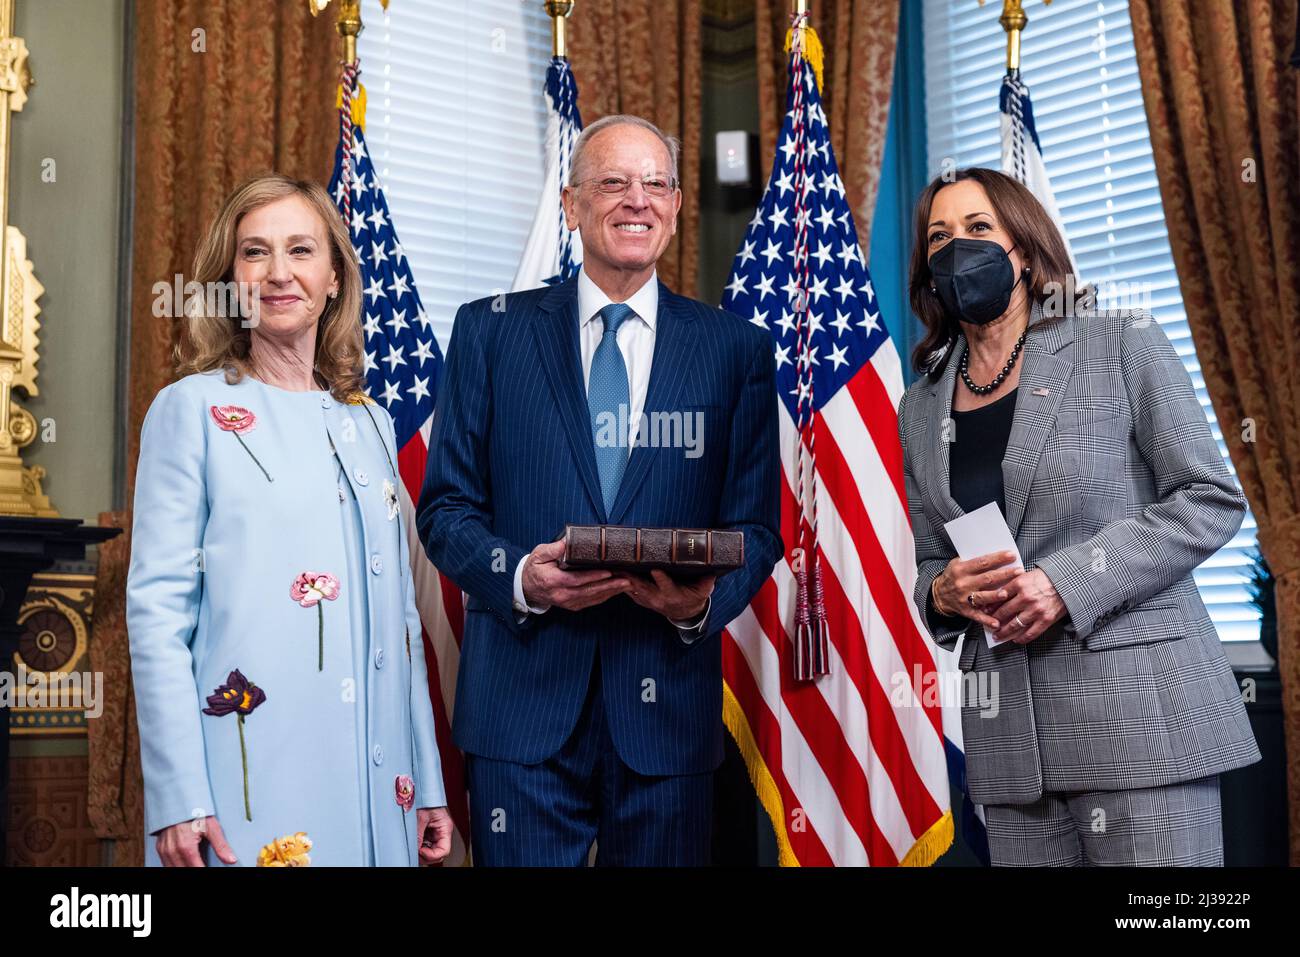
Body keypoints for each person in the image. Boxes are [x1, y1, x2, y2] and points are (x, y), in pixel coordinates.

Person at [417, 115, 782, 866]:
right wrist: (521, 577)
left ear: (678, 207)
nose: (635, 200)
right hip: (521, 709)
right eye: (612, 182)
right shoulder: (489, 334)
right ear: (572, 205)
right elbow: (445, 507)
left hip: (666, 718)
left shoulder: (734, 350)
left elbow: (757, 526)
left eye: (655, 183)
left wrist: (701, 603)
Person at [897, 167, 1260, 866]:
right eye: (938, 237)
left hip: (1142, 723)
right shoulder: (921, 403)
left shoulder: (1117, 340)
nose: (956, 248)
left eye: (979, 229)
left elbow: (1208, 497)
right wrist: (941, 592)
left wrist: (1066, 582)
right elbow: (930, 556)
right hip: (1011, 751)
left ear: (1024, 250)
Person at [127, 173, 452, 867]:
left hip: (381, 786)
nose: (279, 273)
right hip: (246, 787)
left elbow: (402, 626)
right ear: (229, 278)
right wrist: (179, 796)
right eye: (255, 252)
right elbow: (156, 617)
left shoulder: (372, 423)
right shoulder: (190, 412)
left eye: (300, 250)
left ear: (333, 275)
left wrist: (427, 781)